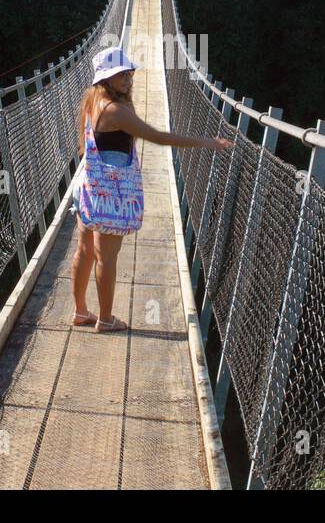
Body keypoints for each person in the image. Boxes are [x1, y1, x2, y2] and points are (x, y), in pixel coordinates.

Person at [71, 46, 231, 333]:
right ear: (106, 79)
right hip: (110, 193)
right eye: (121, 75)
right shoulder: (117, 110)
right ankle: (106, 320)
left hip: (87, 182)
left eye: (129, 73)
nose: (128, 79)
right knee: (105, 255)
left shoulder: (92, 99)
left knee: (84, 249)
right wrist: (205, 142)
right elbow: (157, 136)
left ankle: (81, 311)